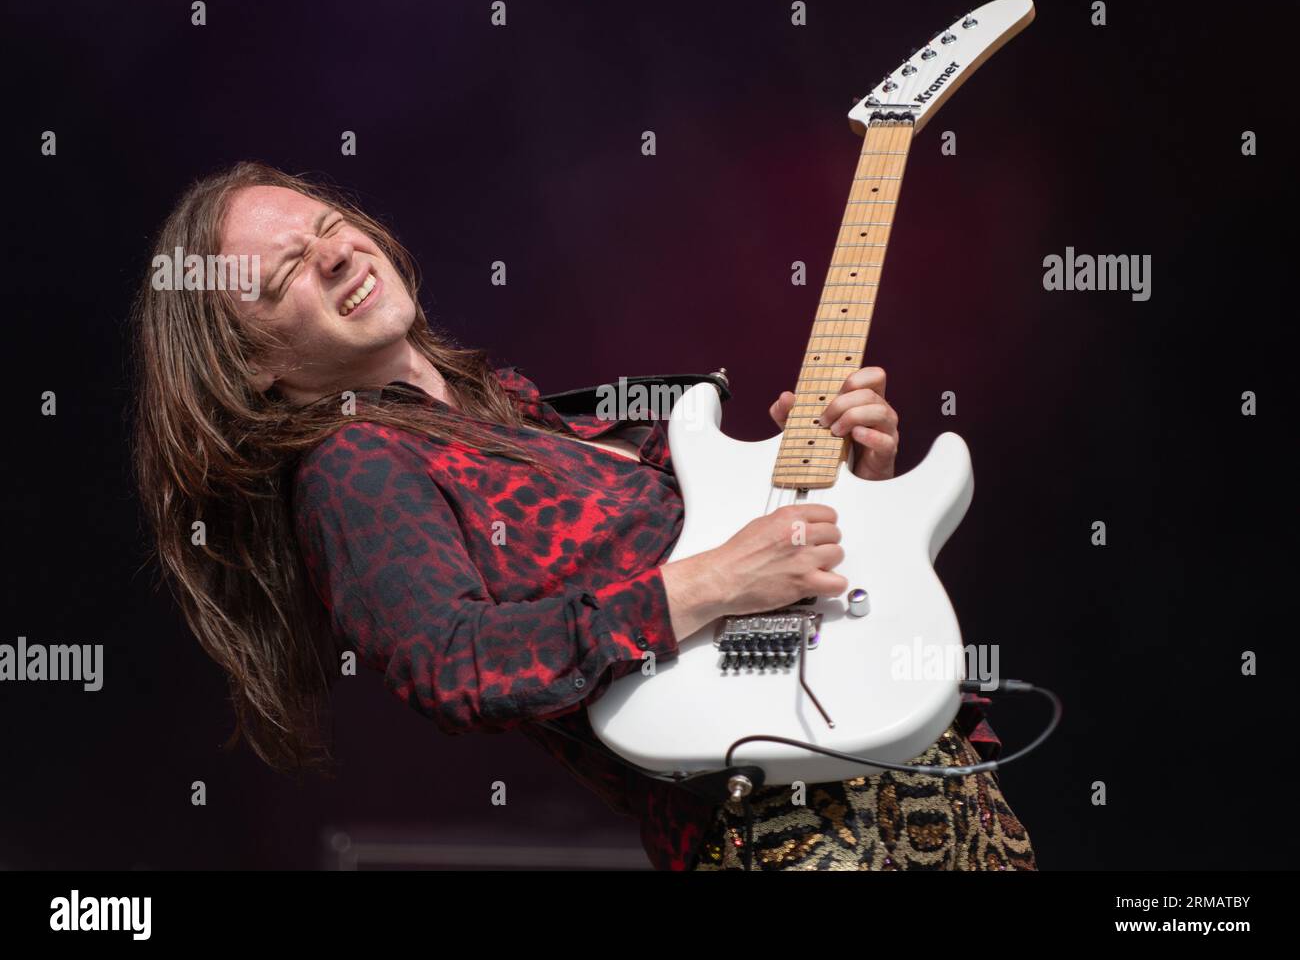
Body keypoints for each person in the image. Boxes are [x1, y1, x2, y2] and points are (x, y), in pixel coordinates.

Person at [131, 160, 1037, 871]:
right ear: (249, 365)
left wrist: (854, 486)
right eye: (286, 268)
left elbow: (763, 584)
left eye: (329, 226)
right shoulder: (354, 462)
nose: (334, 253)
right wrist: (715, 580)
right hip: (789, 834)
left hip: (923, 774)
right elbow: (455, 664)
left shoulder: (513, 411)